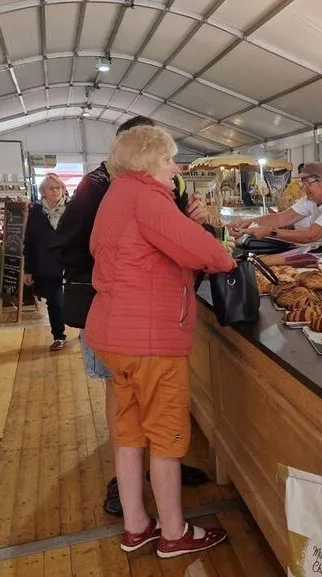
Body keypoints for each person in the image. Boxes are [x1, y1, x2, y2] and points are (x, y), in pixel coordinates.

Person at [50, 115, 211, 518]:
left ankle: (147, 483)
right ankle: (128, 485)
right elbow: (67, 244)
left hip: (122, 316)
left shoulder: (132, 187)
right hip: (119, 311)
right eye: (166, 156)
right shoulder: (99, 185)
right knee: (123, 400)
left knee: (137, 414)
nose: (173, 167)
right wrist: (118, 269)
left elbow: (165, 236)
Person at [86, 125, 234, 557]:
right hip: (149, 338)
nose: (176, 167)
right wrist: (218, 244)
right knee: (167, 436)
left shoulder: (117, 194)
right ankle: (174, 532)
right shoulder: (148, 197)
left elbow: (143, 246)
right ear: (148, 161)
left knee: (129, 432)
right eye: (169, 159)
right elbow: (210, 255)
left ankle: (136, 525)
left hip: (113, 335)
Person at [229, 163, 322, 255]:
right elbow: (281, 218)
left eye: (306, 183)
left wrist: (270, 232)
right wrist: (247, 222)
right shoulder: (310, 200)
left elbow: (310, 236)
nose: (302, 187)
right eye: (302, 183)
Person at [24, 173, 69, 350]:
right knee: (54, 301)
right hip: (47, 263)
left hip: (71, 261)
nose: (57, 191)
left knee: (77, 298)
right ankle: (59, 336)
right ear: (43, 192)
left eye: (59, 187)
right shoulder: (36, 211)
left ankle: (84, 332)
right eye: (52, 188)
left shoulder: (72, 208)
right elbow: (29, 241)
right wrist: (28, 269)